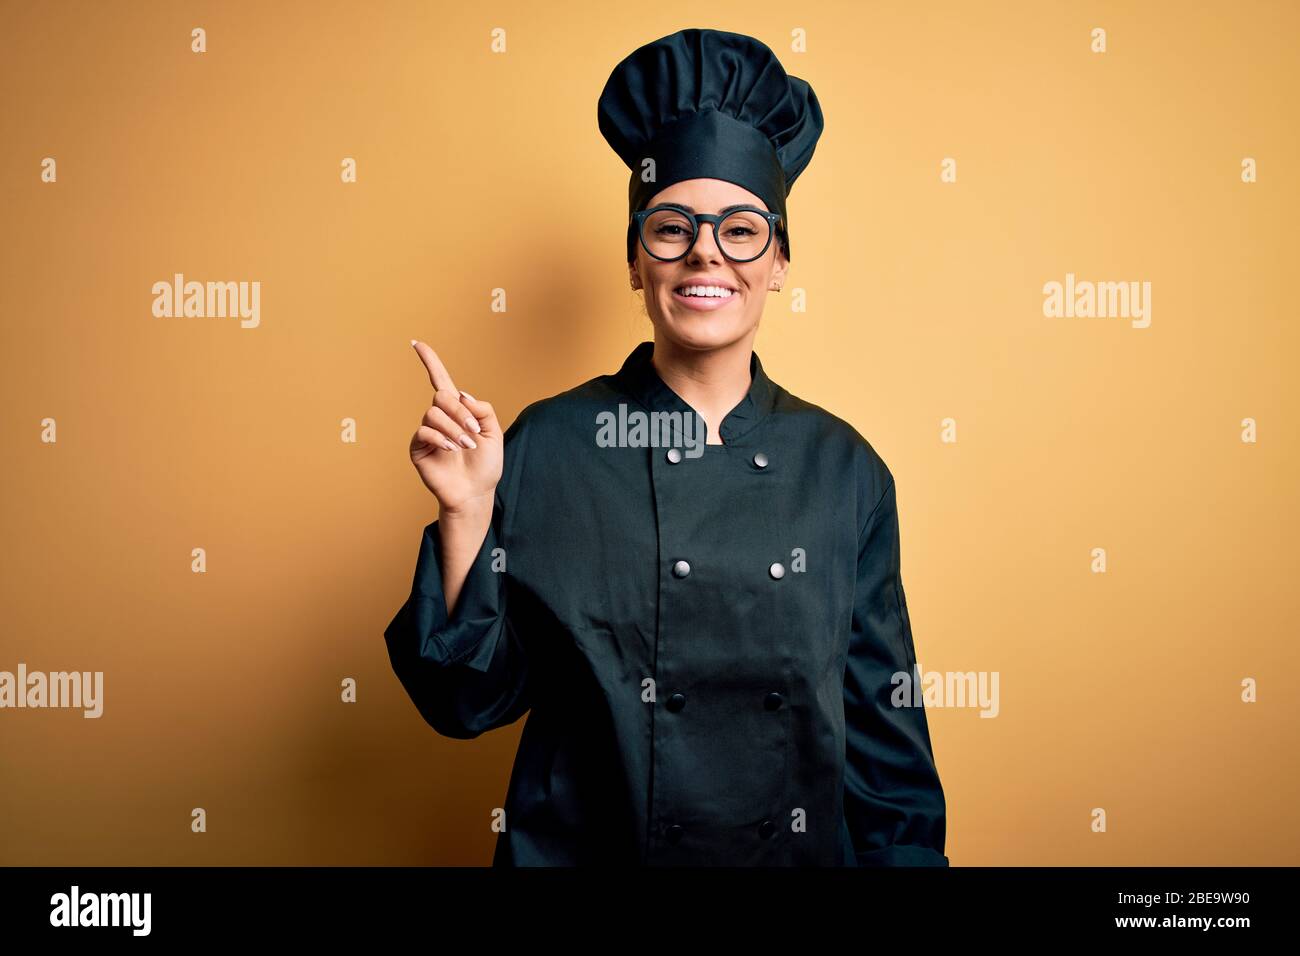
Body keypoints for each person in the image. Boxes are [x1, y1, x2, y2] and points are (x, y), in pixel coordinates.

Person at [383, 27, 948, 866]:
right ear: (635, 262)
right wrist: (466, 513)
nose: (706, 252)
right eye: (672, 227)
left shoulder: (846, 471)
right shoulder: (547, 444)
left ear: (781, 261)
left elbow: (884, 740)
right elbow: (467, 701)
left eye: (742, 228)